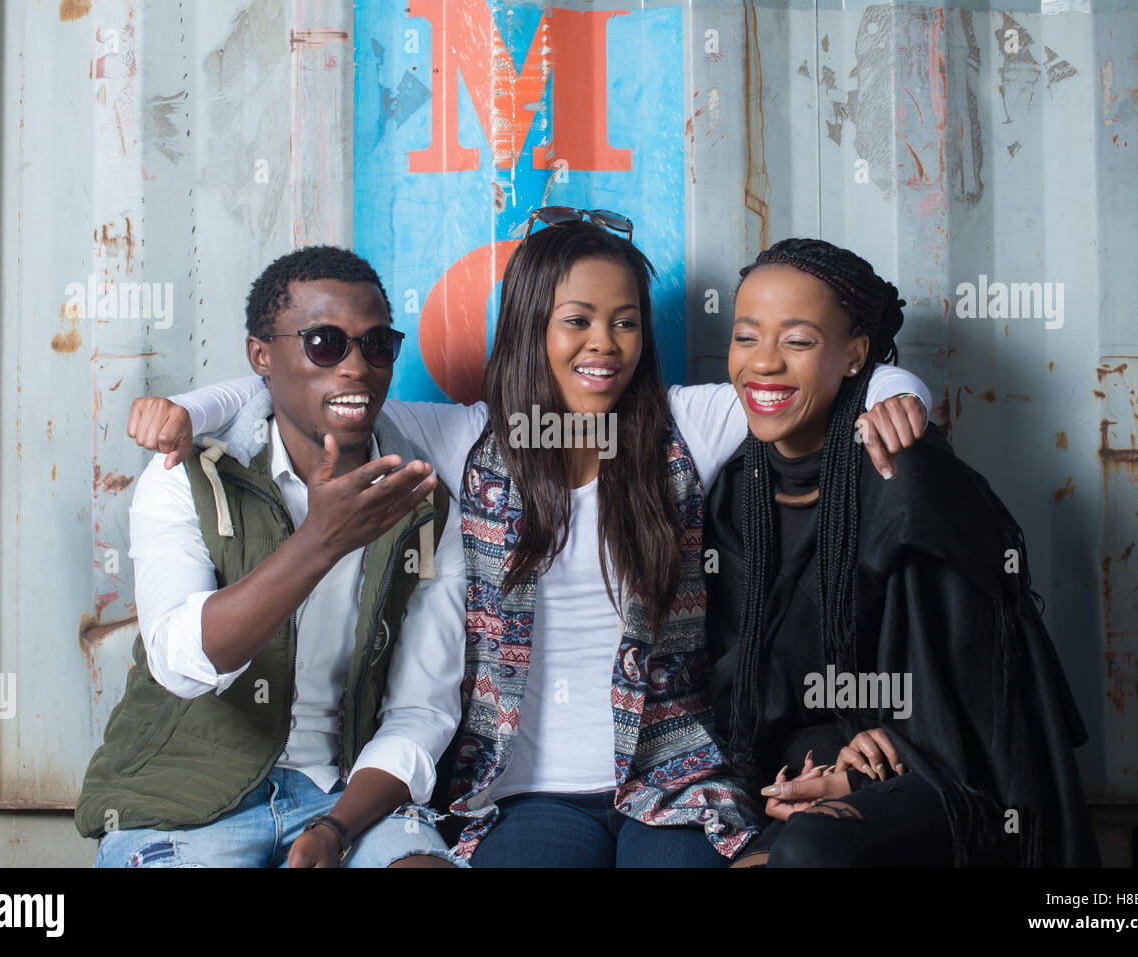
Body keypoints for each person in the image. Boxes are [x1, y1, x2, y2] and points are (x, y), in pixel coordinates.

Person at [126, 210, 934, 866]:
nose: (605, 345)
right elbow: (324, 393)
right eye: (577, 320)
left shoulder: (684, 425)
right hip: (522, 789)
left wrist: (898, 389)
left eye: (625, 323)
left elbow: (797, 385)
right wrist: (192, 410)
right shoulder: (465, 439)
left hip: (672, 774)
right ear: (530, 326)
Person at [704, 237, 1099, 867]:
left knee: (807, 852)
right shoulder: (732, 494)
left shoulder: (905, 481)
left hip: (940, 772)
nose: (764, 364)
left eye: (799, 341)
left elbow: (974, 703)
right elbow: (744, 694)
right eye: (746, 337)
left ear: (856, 355)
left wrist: (862, 769)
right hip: (804, 768)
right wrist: (803, 773)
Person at [76, 246, 468, 868]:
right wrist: (321, 541)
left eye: (377, 346)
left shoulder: (422, 503)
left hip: (346, 798)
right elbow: (183, 661)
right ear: (262, 355)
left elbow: (422, 709)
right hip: (191, 799)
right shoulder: (188, 477)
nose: (356, 368)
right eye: (324, 343)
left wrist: (338, 829)